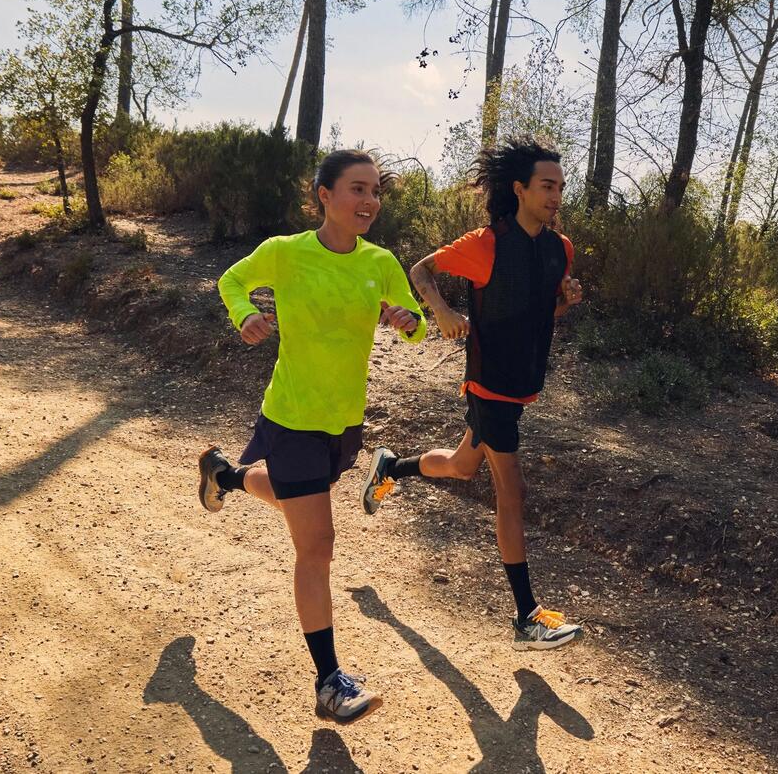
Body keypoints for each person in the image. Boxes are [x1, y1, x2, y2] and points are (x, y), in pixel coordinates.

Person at [195, 149, 426, 723]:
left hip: (344, 421)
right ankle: (329, 682)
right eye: (356, 188)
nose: (369, 200)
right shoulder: (288, 252)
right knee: (317, 544)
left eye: (375, 190)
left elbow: (417, 326)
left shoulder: (380, 261)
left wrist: (405, 321)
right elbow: (233, 279)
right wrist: (244, 314)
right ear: (324, 194)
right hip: (294, 414)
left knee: (302, 502)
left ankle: (226, 475)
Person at [358, 137, 586, 651]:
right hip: (488, 383)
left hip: (522, 382)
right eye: (547, 186)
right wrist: (441, 310)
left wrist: (565, 300)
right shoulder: (485, 243)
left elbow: (539, 313)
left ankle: (392, 468)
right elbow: (420, 270)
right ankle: (526, 615)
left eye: (560, 187)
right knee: (512, 488)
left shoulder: (560, 249)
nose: (556, 196)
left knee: (463, 466)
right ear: (520, 189)